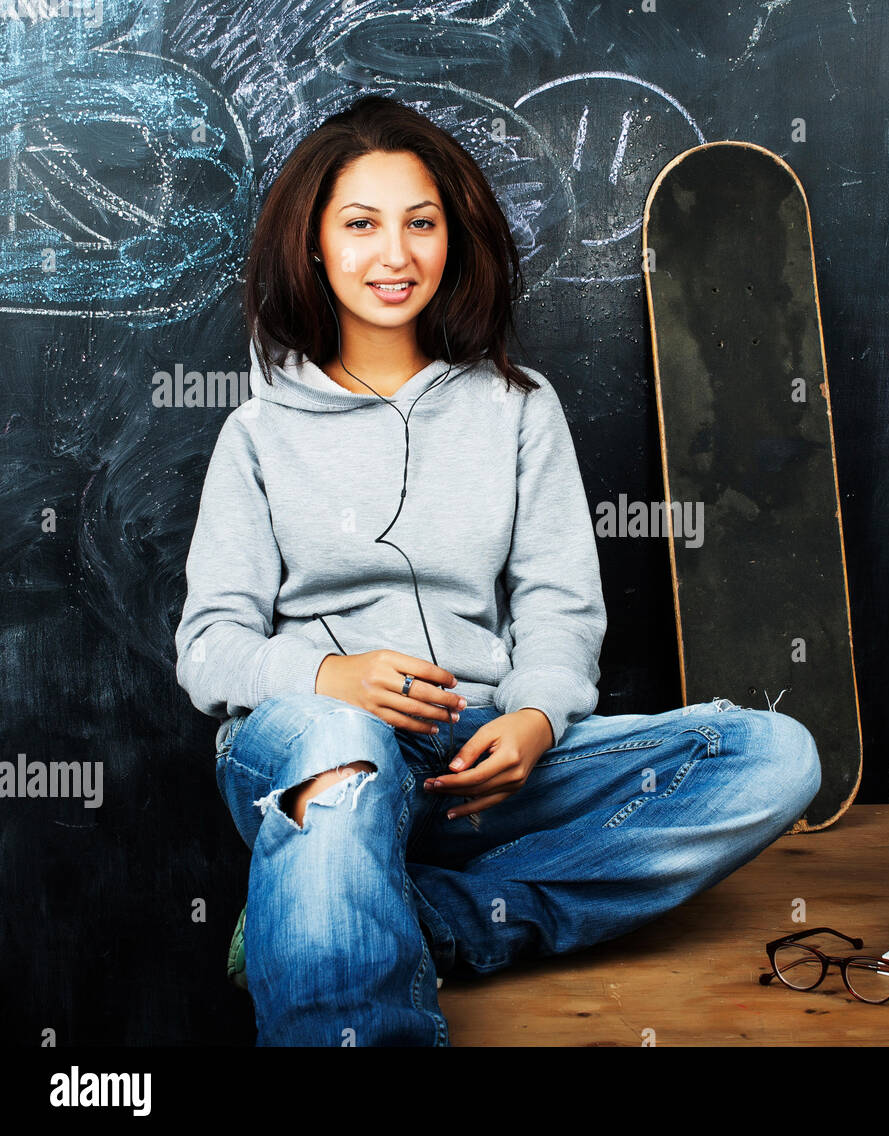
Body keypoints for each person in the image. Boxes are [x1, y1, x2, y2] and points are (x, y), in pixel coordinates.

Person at [174, 94, 822, 1047]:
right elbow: (208, 648)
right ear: (313, 244)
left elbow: (560, 609)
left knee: (776, 755)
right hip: (316, 749)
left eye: (420, 224)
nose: (394, 255)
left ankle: (426, 917)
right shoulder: (259, 433)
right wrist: (328, 678)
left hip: (480, 761)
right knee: (338, 750)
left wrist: (533, 715)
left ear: (452, 238)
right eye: (361, 225)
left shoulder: (518, 408)